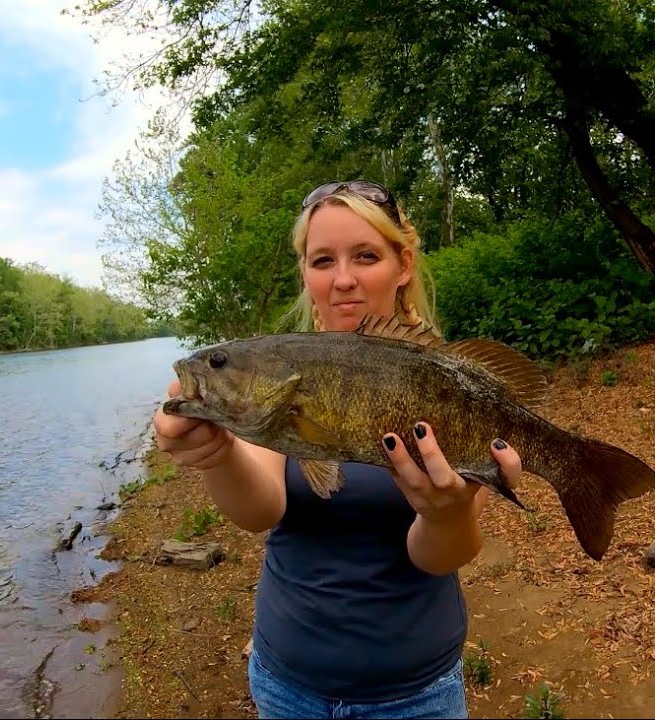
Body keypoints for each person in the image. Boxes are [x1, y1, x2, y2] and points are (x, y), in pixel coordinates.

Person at [151, 179, 523, 719]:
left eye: (365, 256)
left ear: (404, 265)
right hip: (286, 685)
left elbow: (440, 555)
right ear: (305, 273)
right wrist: (219, 452)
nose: (343, 279)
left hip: (416, 694)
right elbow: (260, 511)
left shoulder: (450, 383)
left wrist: (447, 514)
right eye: (322, 260)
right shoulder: (280, 372)